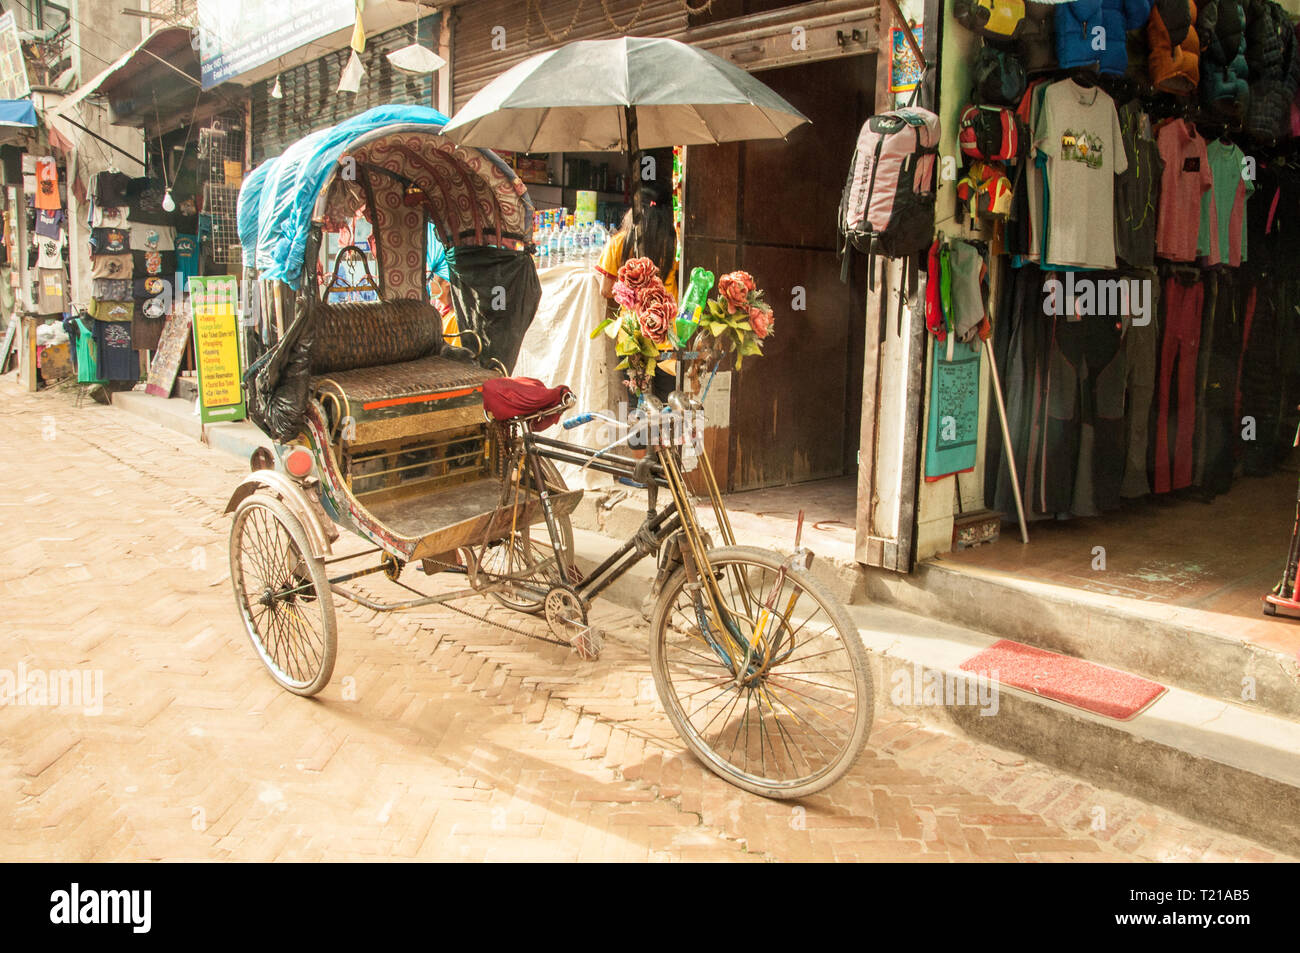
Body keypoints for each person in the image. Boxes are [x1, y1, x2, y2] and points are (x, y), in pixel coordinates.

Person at [596, 186, 679, 401]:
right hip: (666, 336)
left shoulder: (618, 243)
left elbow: (605, 290)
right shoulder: (673, 245)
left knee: (637, 406)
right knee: (666, 404)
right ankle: (664, 436)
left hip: (633, 337)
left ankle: (639, 436)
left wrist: (631, 295)